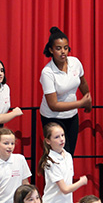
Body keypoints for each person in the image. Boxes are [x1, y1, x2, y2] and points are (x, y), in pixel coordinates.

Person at [39, 26, 92, 155]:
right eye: (58, 48)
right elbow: (53, 105)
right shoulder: (47, 72)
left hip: (71, 116)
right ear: (51, 50)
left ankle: (67, 176)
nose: (63, 51)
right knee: (58, 154)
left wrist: (88, 99)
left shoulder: (75, 63)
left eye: (65, 48)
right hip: (52, 117)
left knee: (69, 154)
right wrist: (80, 103)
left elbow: (82, 82)